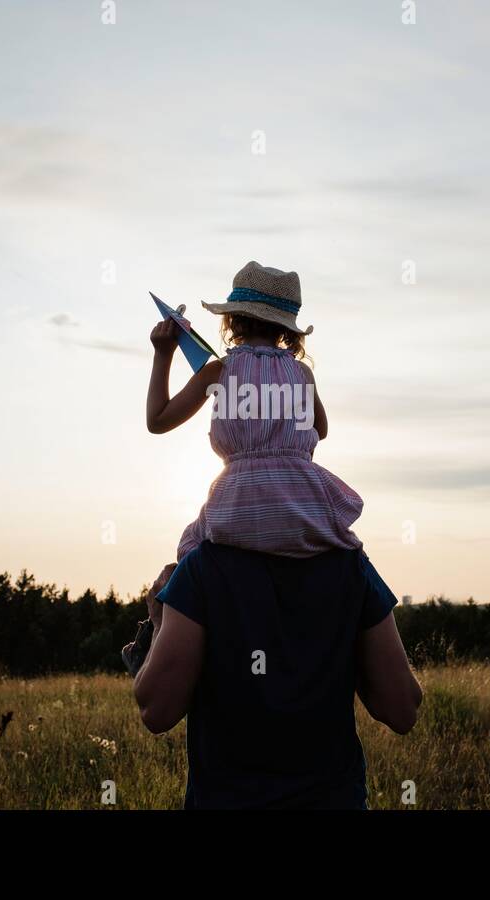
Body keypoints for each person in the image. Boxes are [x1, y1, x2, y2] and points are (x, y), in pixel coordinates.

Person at [124, 261, 366, 675]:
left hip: (239, 503)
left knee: (185, 562)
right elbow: (321, 430)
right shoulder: (302, 374)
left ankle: (150, 643)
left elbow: (157, 420)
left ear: (231, 320)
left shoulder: (219, 370)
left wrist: (163, 354)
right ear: (287, 328)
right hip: (302, 502)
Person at [133, 542, 423, 809]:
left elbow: (156, 711)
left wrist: (159, 620)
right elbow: (402, 710)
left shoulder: (201, 568)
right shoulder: (351, 567)